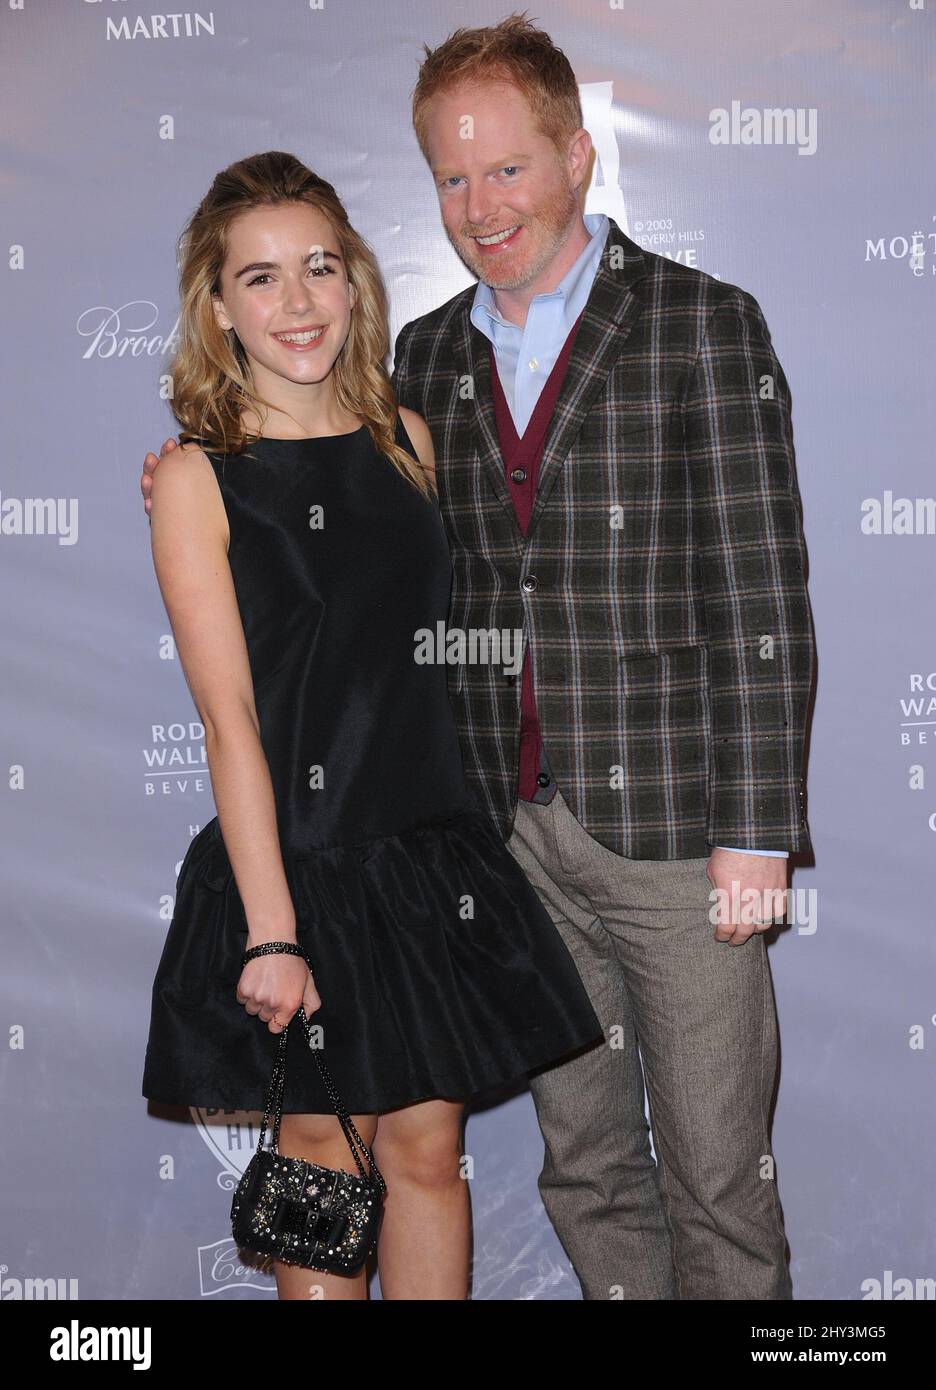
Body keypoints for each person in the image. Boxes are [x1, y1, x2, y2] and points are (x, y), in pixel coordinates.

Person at [143, 17, 816, 1301]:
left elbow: (759, 592)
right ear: (216, 303)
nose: (479, 203)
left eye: (507, 169)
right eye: (452, 179)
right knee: (453, 1163)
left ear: (577, 155)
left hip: (557, 845)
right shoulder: (378, 387)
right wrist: (191, 472)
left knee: (565, 1163)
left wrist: (759, 829)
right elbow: (240, 689)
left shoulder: (486, 388)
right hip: (393, 850)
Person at [139, 148, 603, 1303]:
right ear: (218, 305)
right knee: (318, 1161)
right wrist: (271, 929)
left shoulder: (407, 438)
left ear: (355, 281)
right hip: (294, 865)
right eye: (260, 278)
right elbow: (229, 719)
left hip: (425, 859)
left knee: (424, 1156)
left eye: (319, 266)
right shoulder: (200, 478)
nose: (297, 302)